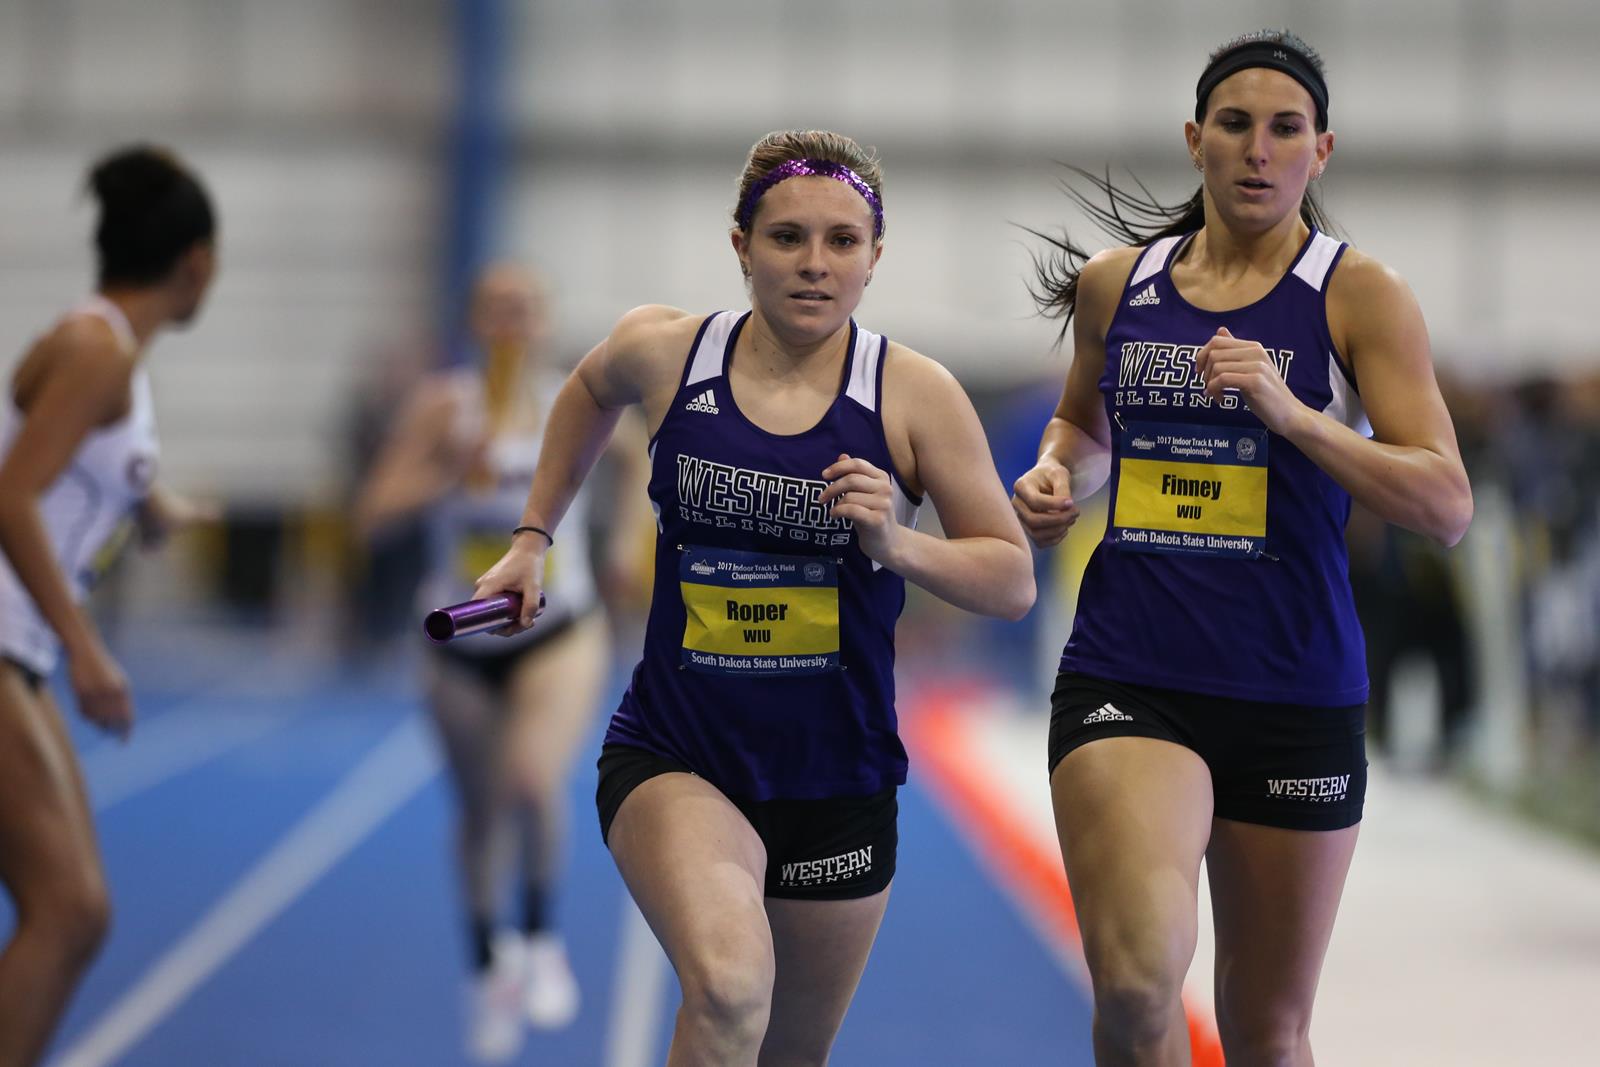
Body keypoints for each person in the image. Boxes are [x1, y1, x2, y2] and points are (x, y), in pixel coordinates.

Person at [472, 129, 1034, 1065]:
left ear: (874, 256)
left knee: (782, 1051)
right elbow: (584, 389)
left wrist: (895, 540)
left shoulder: (913, 394)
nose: (815, 264)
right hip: (678, 751)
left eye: (843, 242)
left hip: (837, 775)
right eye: (787, 238)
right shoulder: (667, 354)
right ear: (740, 245)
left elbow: (1011, 578)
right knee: (731, 990)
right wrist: (535, 536)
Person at [1012, 30, 1472, 1066]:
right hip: (1131, 671)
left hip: (1292, 684)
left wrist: (1297, 413)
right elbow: (1083, 429)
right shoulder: (1115, 285)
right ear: (1194, 140)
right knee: (1135, 982)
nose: (1257, 150)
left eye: (1284, 130)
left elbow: (1445, 503)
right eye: (1234, 125)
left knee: (1267, 1029)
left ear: (1321, 150)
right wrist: (1055, 475)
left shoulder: (1358, 295)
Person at [356, 263, 647, 1062]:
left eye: (525, 311)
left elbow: (639, 460)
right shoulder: (441, 407)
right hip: (458, 635)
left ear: (544, 321)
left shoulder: (573, 398)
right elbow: (372, 514)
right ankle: (488, 964)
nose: (512, 325)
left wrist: (624, 541)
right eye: (497, 311)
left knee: (529, 780)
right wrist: (446, 467)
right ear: (475, 322)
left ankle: (543, 932)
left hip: (559, 627)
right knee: (480, 810)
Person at [0, 145, 218, 1067]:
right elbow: (12, 493)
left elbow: (58, 450)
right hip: (11, 637)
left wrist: (151, 505)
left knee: (77, 910)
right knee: (72, 907)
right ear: (196, 262)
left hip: (19, 647)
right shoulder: (97, 351)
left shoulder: (98, 342)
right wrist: (85, 648)